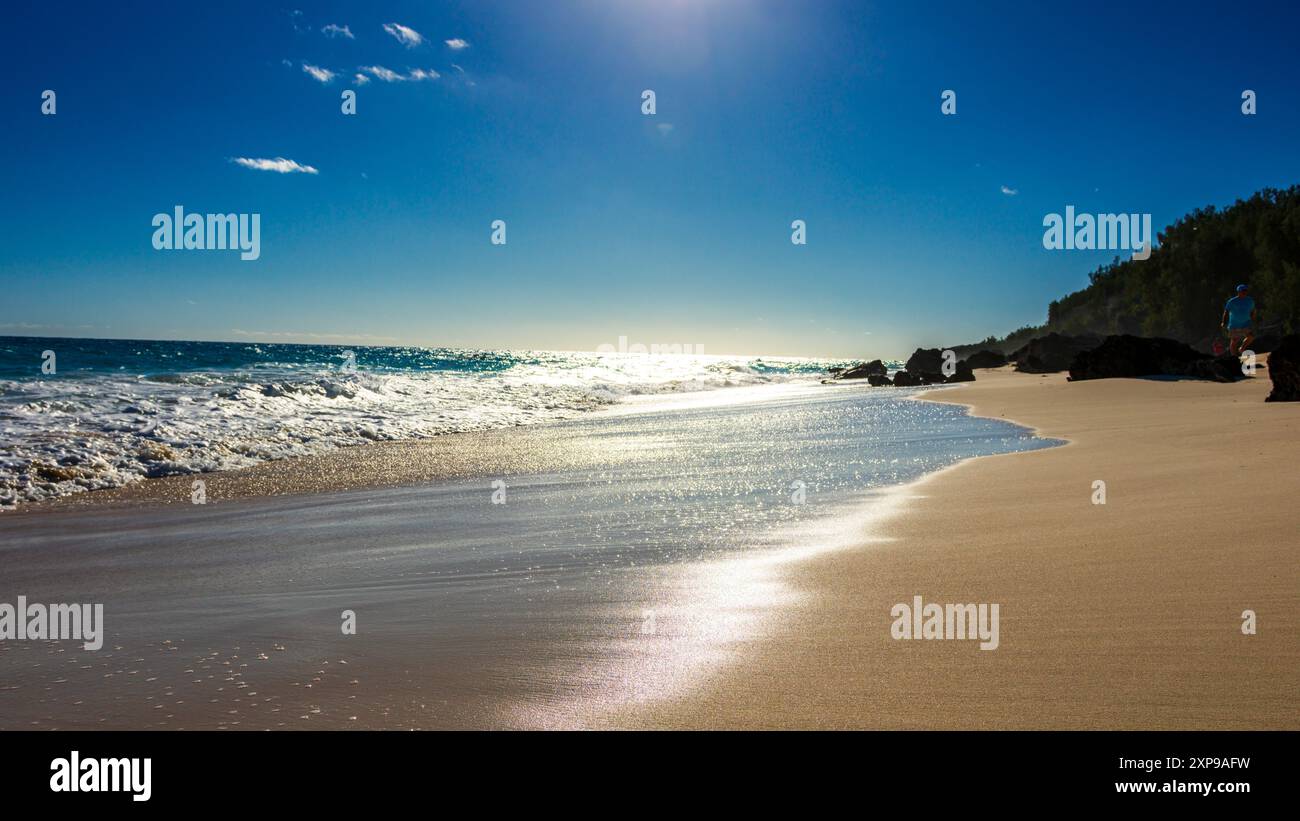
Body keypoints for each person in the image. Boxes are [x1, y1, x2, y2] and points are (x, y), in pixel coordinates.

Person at [1221, 284, 1257, 356]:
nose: (1245, 292)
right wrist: (1223, 322)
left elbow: (1253, 311)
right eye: (1243, 291)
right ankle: (1233, 356)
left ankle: (1241, 349)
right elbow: (1226, 312)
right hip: (1234, 324)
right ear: (1238, 292)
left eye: (1246, 291)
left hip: (1246, 323)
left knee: (1251, 337)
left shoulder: (1250, 300)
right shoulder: (1232, 301)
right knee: (1234, 341)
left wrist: (1253, 319)